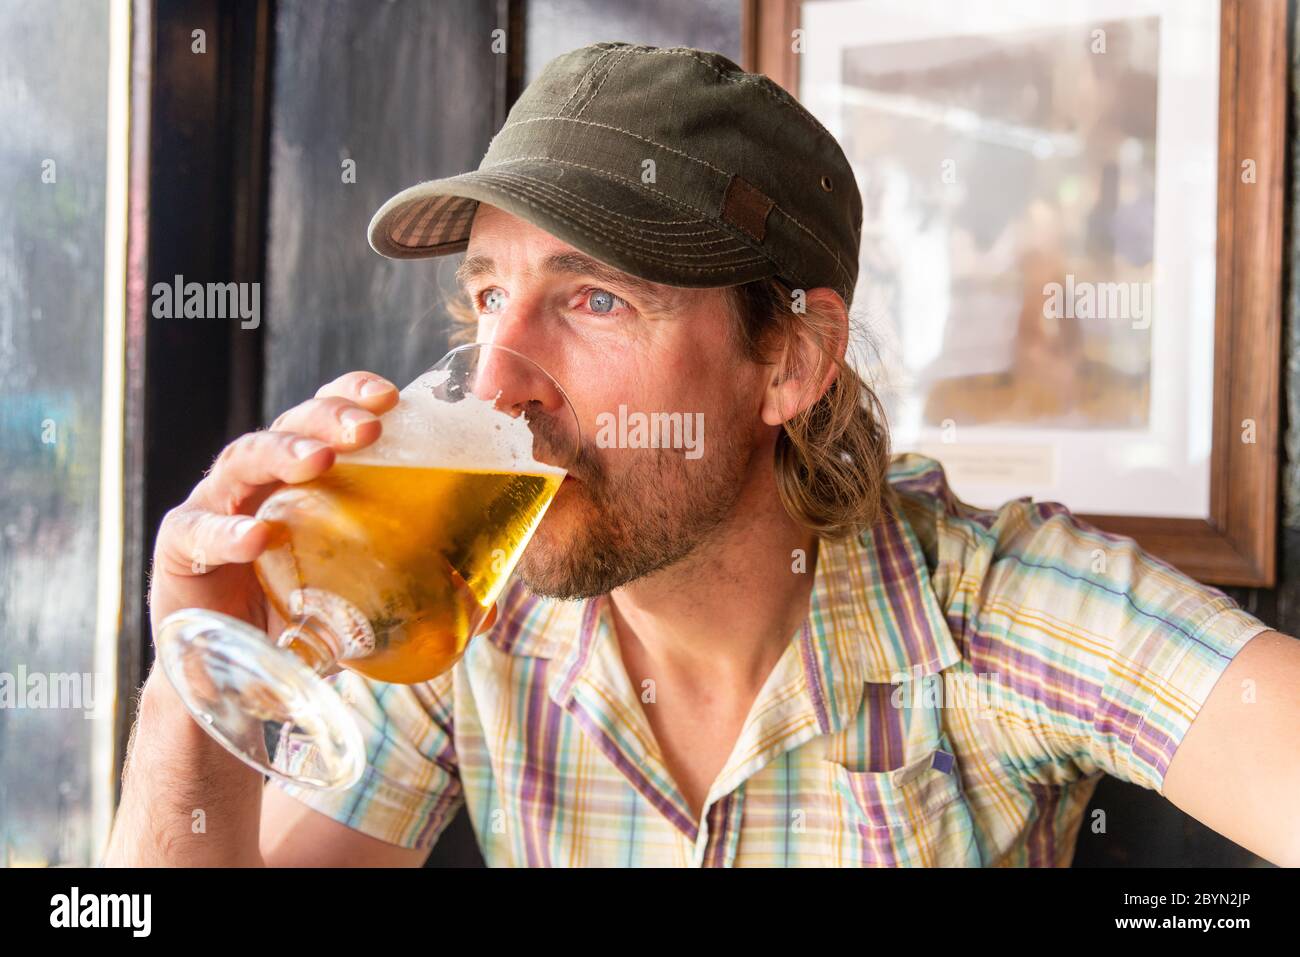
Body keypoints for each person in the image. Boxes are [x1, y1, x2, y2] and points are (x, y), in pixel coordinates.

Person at [105, 42, 1299, 867]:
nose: (498, 382)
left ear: (787, 360)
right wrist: (193, 668)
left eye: (596, 302)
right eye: (486, 298)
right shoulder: (459, 613)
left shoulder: (989, 613)